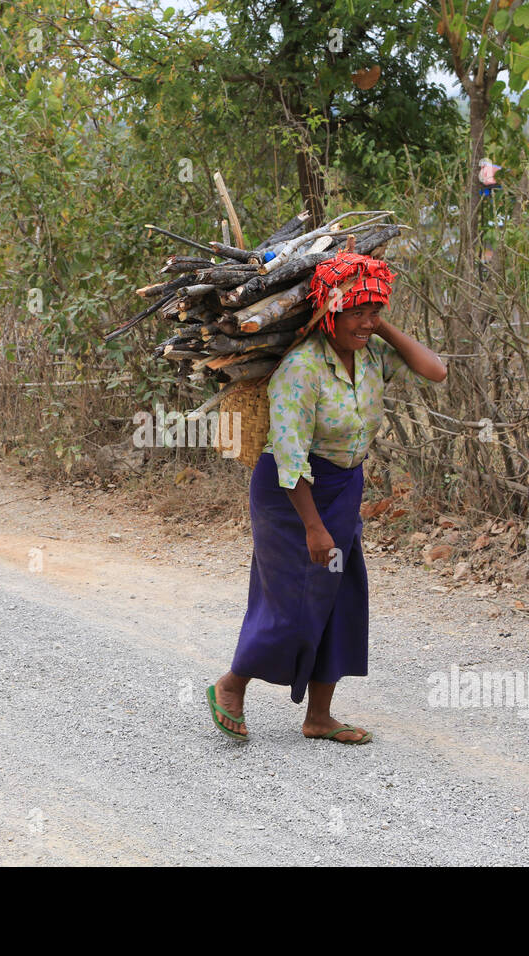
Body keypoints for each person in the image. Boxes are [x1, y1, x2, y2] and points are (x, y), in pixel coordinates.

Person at [207, 249, 446, 743]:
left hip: (342, 487)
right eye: (356, 312)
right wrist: (314, 528)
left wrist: (379, 328)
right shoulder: (302, 368)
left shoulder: (372, 354)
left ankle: (319, 717)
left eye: (374, 310)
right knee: (291, 600)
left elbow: (435, 370)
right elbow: (289, 459)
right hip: (291, 496)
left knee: (340, 594)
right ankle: (231, 685)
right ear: (327, 313)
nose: (367, 321)